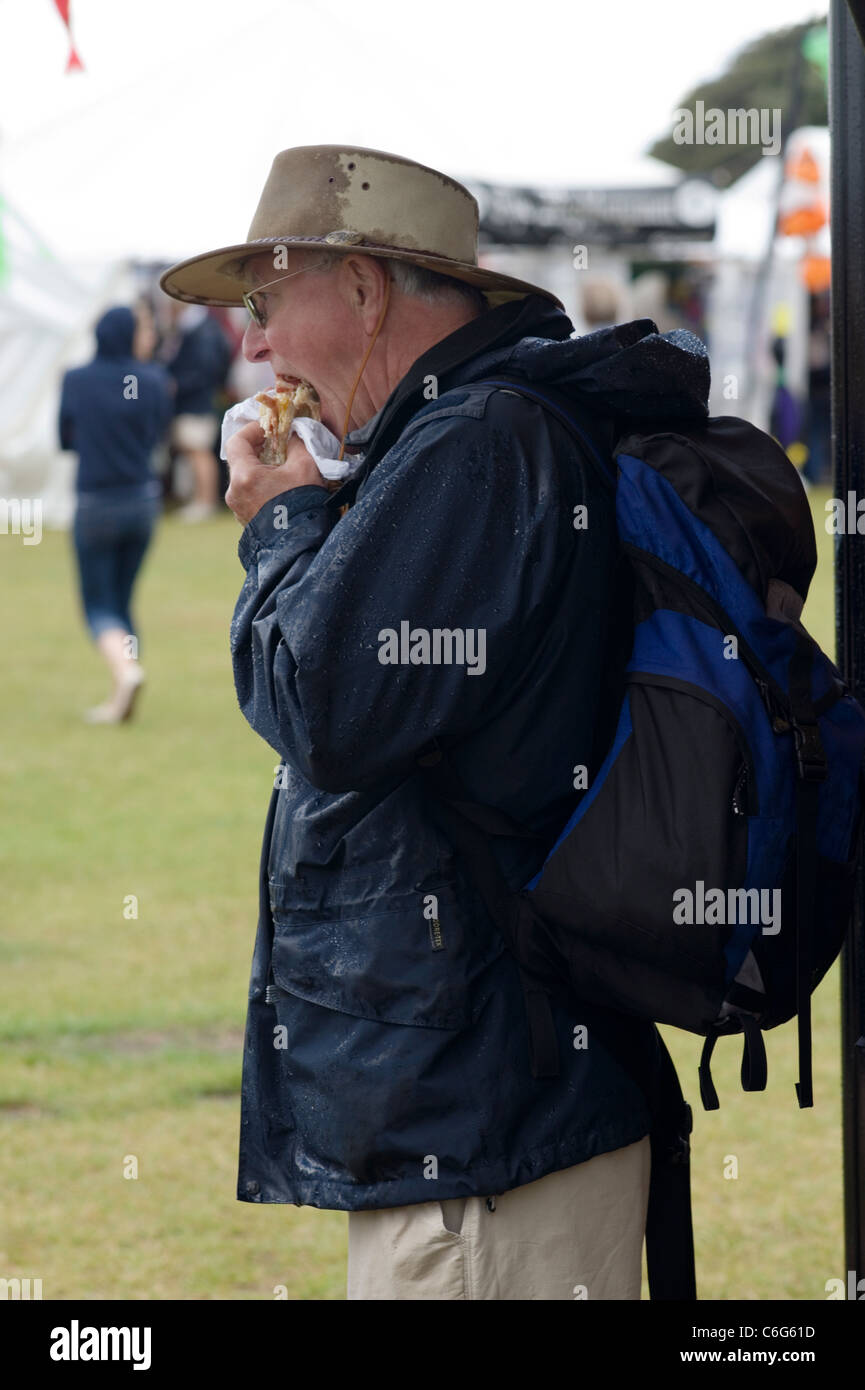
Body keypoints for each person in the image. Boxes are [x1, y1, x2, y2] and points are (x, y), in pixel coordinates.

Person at [160, 145, 710, 1300]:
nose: (253, 344)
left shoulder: (478, 442)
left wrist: (284, 525)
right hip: (486, 1115)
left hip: (488, 1139)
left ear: (362, 291)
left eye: (266, 302)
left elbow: (323, 708)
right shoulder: (464, 436)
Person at [59, 303, 173, 723]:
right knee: (123, 603)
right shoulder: (153, 379)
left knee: (99, 605)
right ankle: (122, 688)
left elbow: (65, 438)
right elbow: (161, 432)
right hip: (142, 502)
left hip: (96, 502)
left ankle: (125, 672)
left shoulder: (76, 379)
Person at [159, 300, 233, 521]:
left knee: (199, 451)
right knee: (194, 451)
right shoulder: (197, 328)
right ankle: (199, 499)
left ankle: (205, 501)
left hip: (198, 403)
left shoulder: (202, 331)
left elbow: (205, 369)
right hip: (196, 402)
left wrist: (178, 385)